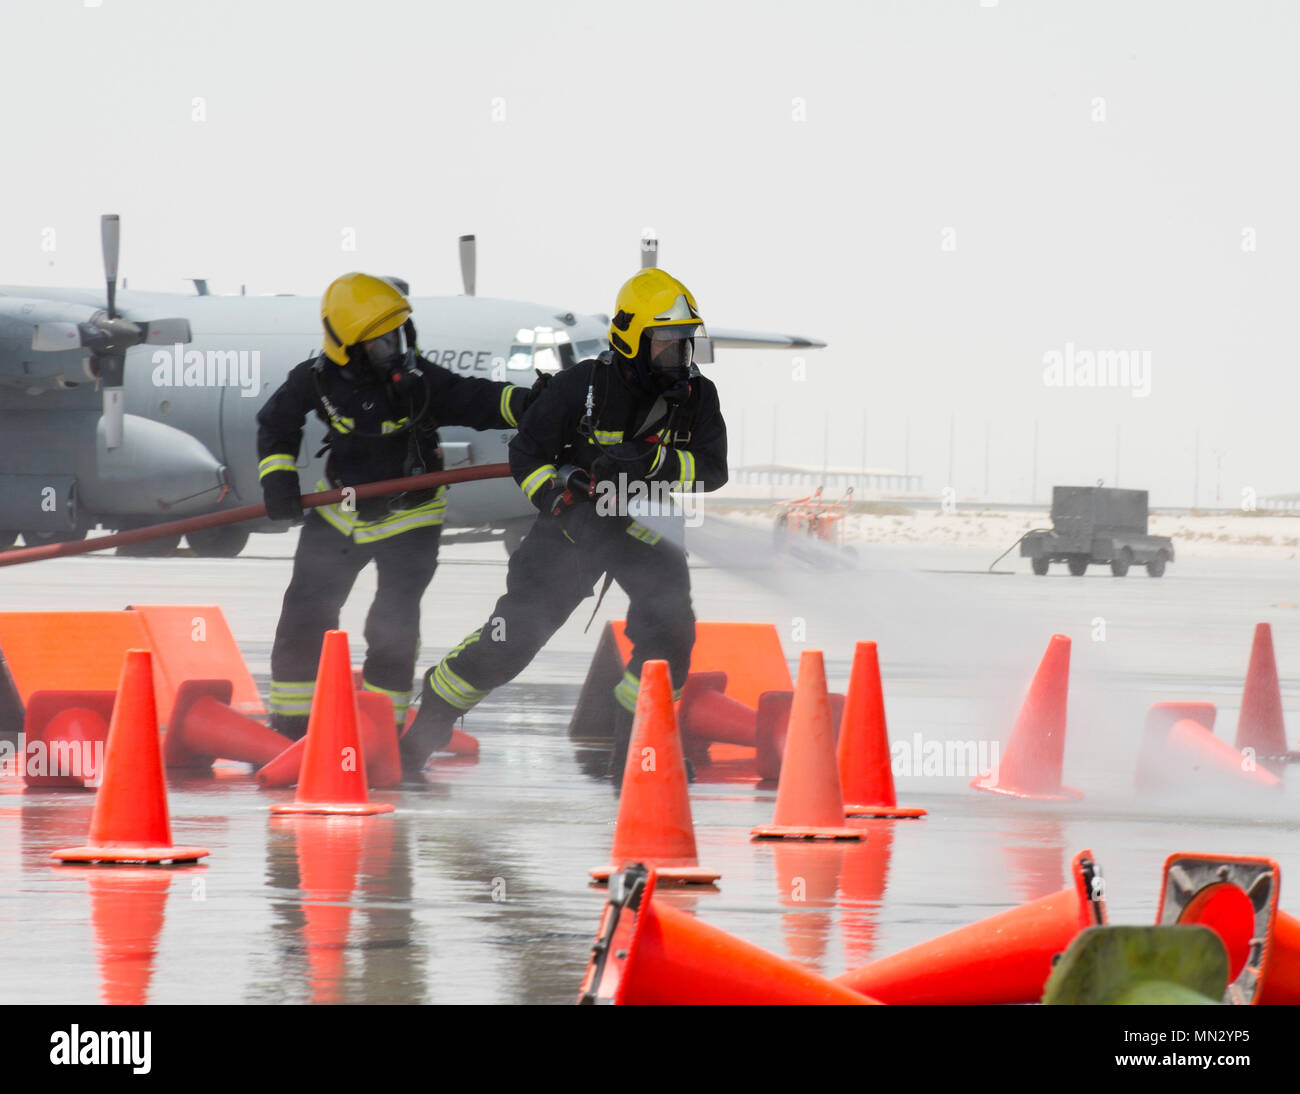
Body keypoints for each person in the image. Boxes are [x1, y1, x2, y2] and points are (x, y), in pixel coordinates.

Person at [399, 267, 728, 779]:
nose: (679, 355)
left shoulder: (697, 397)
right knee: (513, 641)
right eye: (666, 343)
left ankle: (638, 757)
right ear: (632, 339)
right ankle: (426, 728)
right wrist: (556, 493)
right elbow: (527, 453)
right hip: (575, 531)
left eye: (686, 343)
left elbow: (714, 469)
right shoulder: (581, 388)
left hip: (648, 531)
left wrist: (653, 468)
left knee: (671, 637)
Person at [257, 272, 532, 739]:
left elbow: (480, 400)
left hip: (411, 517)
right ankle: (291, 728)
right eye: (383, 343)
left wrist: (542, 404)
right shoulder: (316, 381)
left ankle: (382, 734)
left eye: (400, 335)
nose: (397, 349)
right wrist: (278, 480)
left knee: (392, 625)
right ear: (349, 349)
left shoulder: (422, 384)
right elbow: (275, 422)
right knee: (305, 613)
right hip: (339, 512)